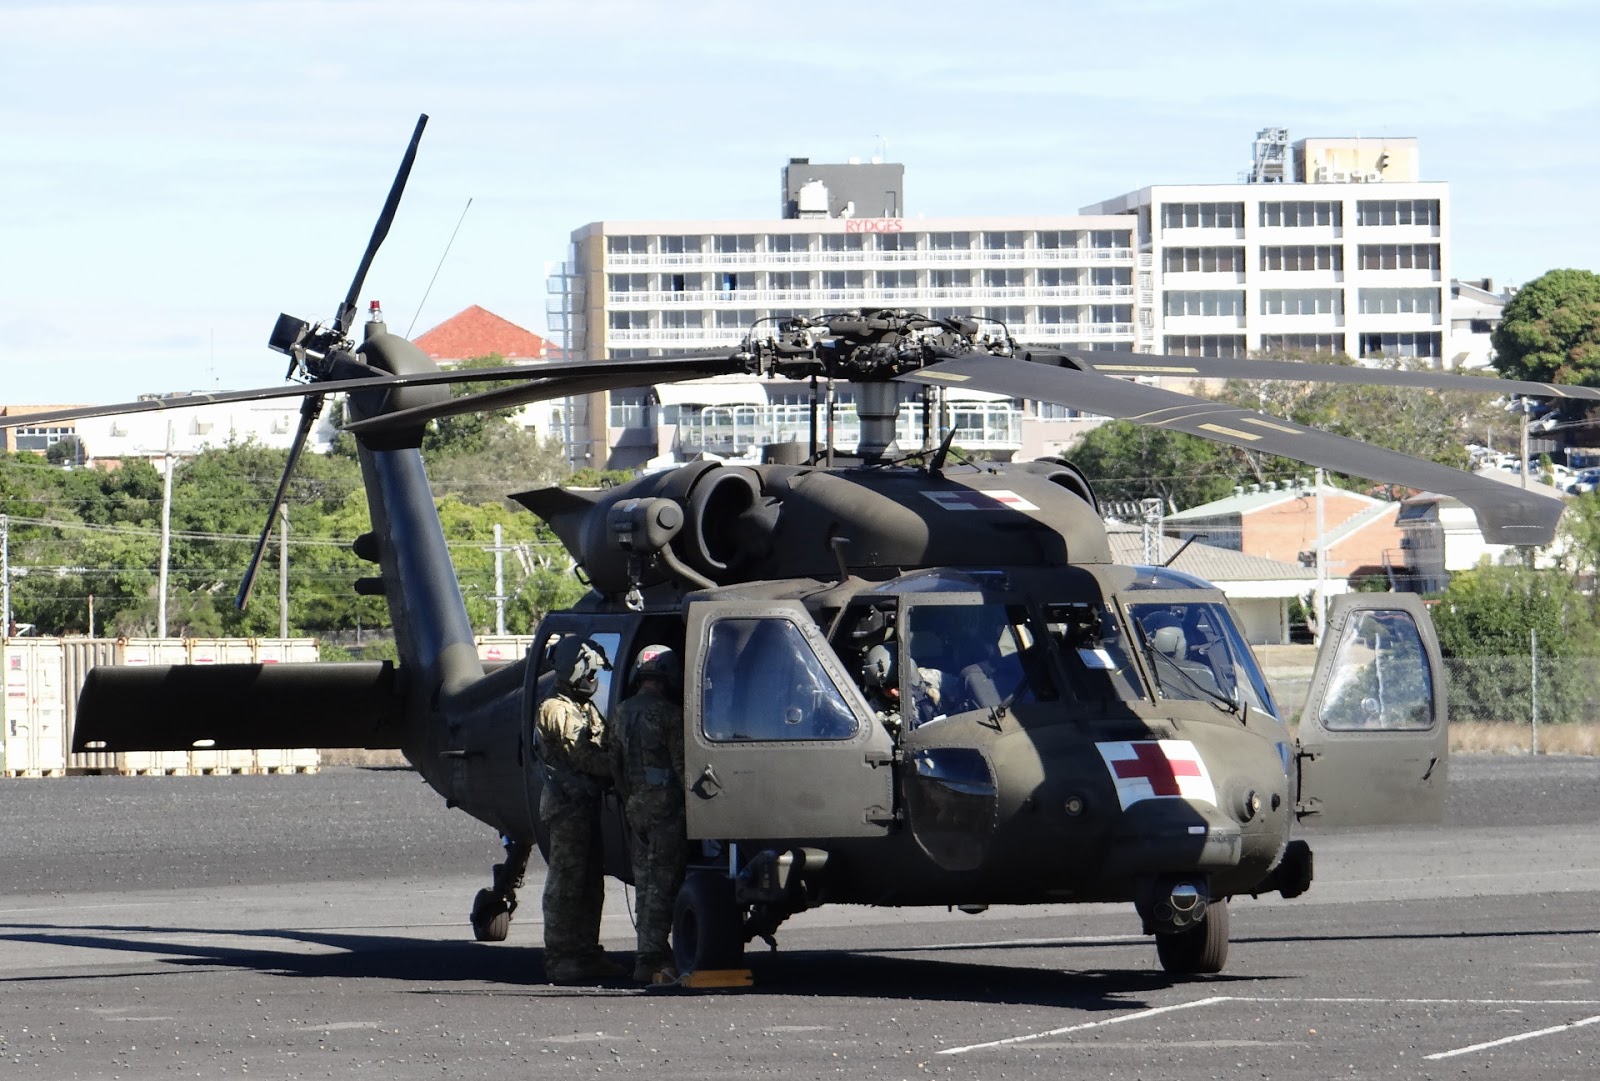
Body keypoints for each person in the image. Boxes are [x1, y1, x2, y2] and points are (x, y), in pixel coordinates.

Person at [535, 637, 619, 985]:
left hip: (584, 805)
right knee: (567, 884)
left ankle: (585, 952)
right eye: (590, 673)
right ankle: (561, 957)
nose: (593, 679)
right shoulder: (556, 709)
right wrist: (623, 767)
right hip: (567, 807)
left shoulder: (583, 707)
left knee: (589, 884)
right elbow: (584, 757)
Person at [609, 644, 688, 985]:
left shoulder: (621, 712)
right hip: (665, 808)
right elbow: (683, 768)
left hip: (636, 806)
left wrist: (631, 797)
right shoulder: (670, 715)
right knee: (664, 883)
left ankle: (647, 950)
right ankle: (651, 957)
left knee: (645, 883)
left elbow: (614, 765)